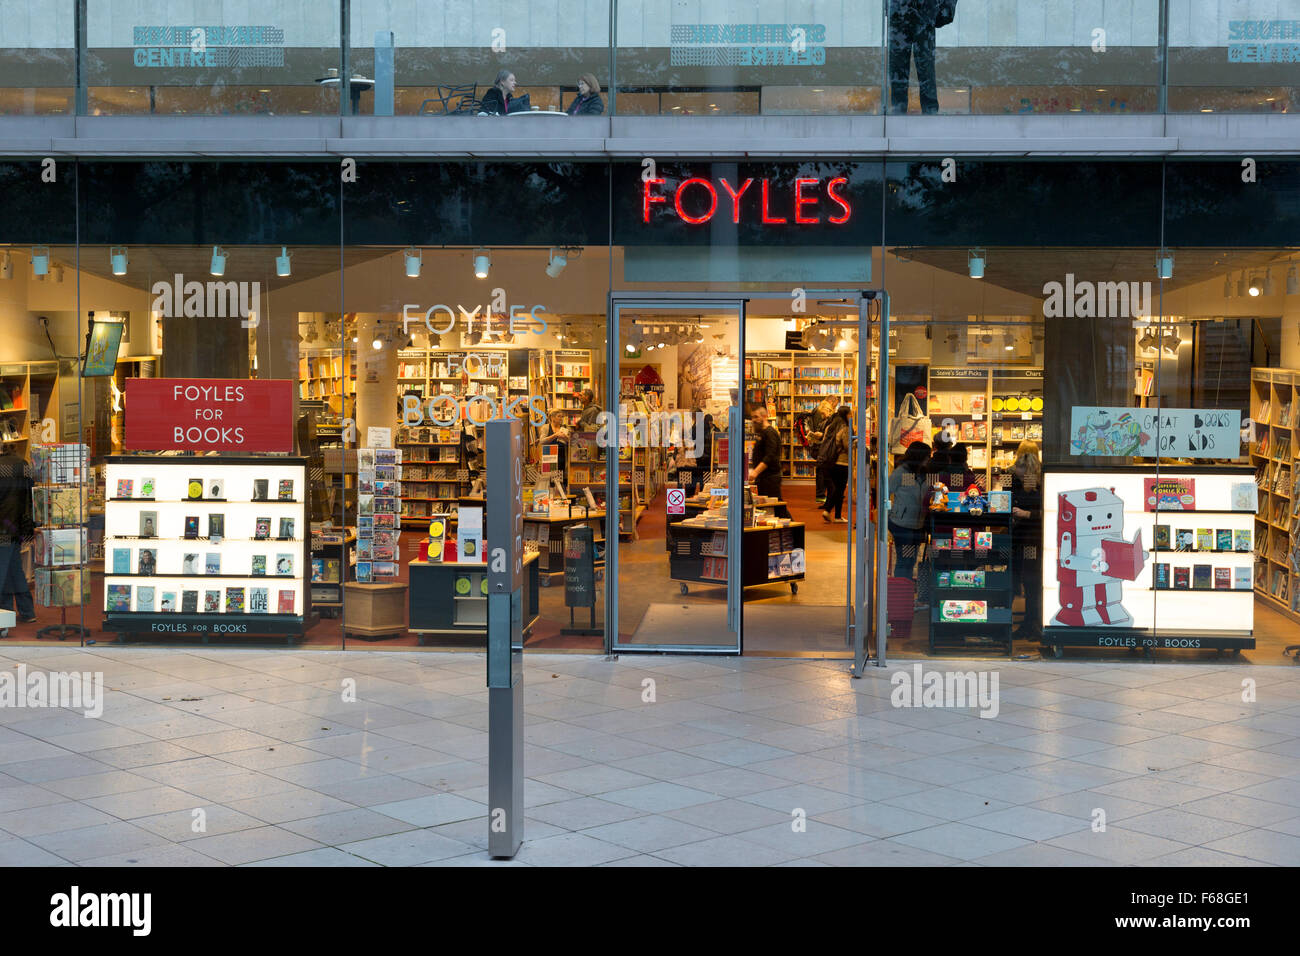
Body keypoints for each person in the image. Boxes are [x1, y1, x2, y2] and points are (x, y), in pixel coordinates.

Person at [1010, 440, 1044, 640]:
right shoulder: (1028, 484)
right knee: (1028, 581)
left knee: (1031, 582)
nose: (1016, 471)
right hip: (1024, 538)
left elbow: (1046, 511)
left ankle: (1032, 625)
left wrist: (1025, 514)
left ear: (1027, 468)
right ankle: (1030, 624)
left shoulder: (1036, 485)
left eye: (1020, 468)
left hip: (1032, 539)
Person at [0, 444, 36, 626]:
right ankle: (27, 611)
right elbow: (31, 494)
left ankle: (4, 615)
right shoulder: (23, 465)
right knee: (14, 570)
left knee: (3, 572)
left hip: (2, 527)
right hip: (18, 526)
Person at [887, 441, 931, 579]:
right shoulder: (901, 473)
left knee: (911, 560)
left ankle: (906, 588)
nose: (929, 459)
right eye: (927, 456)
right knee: (904, 560)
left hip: (918, 524)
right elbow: (885, 492)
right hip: (902, 524)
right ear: (919, 457)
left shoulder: (925, 474)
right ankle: (901, 591)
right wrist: (890, 514)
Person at [888, 0, 939, 115]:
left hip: (923, 13)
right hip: (901, 12)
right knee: (899, 68)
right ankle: (899, 110)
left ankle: (929, 111)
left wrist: (944, 9)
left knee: (926, 67)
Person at [748, 405, 788, 517]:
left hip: (770, 478)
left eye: (756, 417)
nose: (753, 420)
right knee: (771, 507)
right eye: (752, 417)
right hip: (764, 477)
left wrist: (755, 472)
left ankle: (794, 531)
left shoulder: (770, 433)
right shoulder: (763, 433)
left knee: (777, 507)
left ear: (765, 416)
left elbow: (769, 456)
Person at [820, 405, 852, 523]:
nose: (851, 416)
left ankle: (837, 516)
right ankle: (829, 511)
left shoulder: (831, 426)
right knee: (840, 490)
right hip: (843, 462)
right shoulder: (845, 428)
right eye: (850, 414)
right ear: (846, 415)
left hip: (832, 462)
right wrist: (856, 442)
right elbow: (847, 446)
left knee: (837, 489)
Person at [806, 397, 836, 502]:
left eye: (823, 414)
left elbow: (831, 436)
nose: (822, 416)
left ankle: (824, 495)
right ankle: (822, 495)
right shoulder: (825, 421)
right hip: (822, 448)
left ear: (828, 410)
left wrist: (821, 435)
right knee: (822, 472)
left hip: (826, 450)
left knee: (824, 473)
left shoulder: (831, 421)